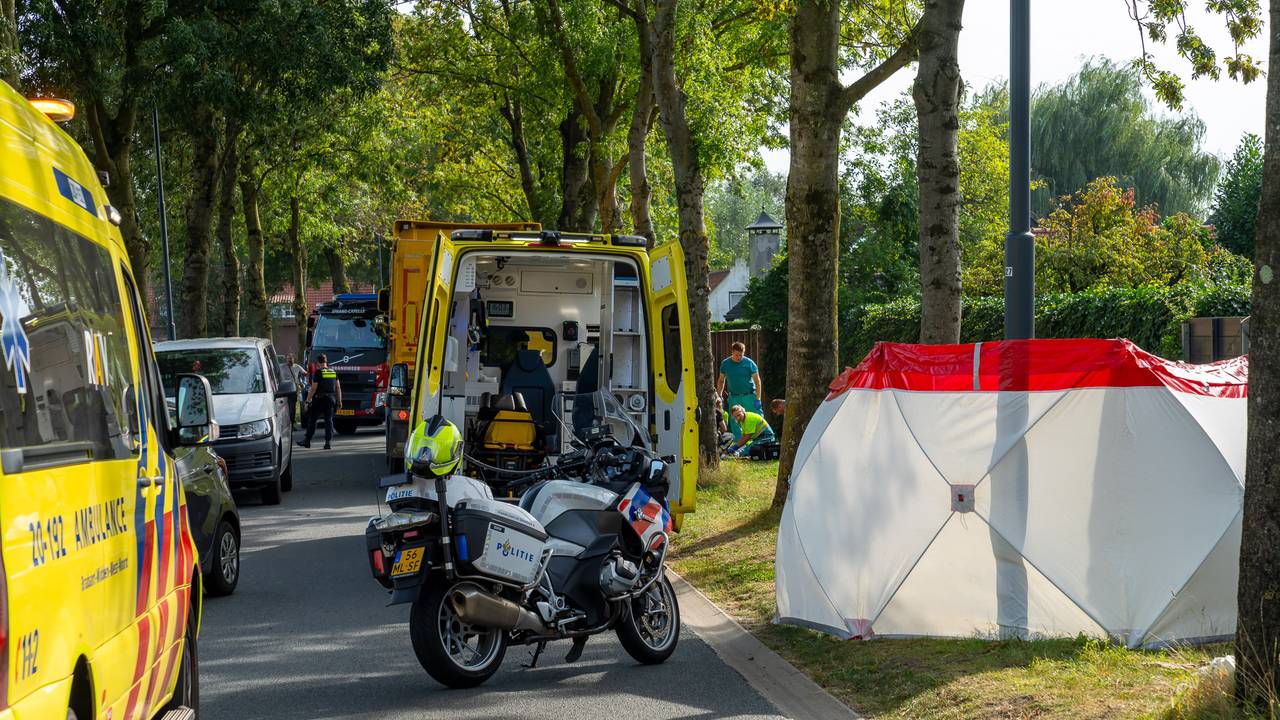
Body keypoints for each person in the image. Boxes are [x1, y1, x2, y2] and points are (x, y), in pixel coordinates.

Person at [716, 341, 762, 439]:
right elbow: (721, 380)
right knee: (735, 422)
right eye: (736, 355)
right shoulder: (726, 364)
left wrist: (758, 398)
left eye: (741, 355)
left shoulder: (749, 363)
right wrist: (719, 395)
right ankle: (738, 445)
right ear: (732, 352)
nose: (739, 357)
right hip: (734, 397)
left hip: (749, 396)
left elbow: (757, 381)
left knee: (756, 419)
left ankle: (759, 441)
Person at [302, 353, 342, 449]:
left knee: (313, 419)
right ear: (326, 361)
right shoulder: (333, 372)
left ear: (318, 363)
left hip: (320, 399)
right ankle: (328, 442)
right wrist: (339, 401)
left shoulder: (318, 372)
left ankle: (307, 441)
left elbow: (313, 388)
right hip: (331, 399)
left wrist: (307, 401)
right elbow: (338, 387)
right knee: (328, 420)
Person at [287, 353, 307, 429]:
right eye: (288, 359)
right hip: (283, 390)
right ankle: (288, 424)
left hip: (293, 390)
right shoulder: (282, 367)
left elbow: (305, 373)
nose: (289, 360)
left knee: (292, 408)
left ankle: (292, 424)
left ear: (293, 359)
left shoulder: (297, 367)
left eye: (290, 359)